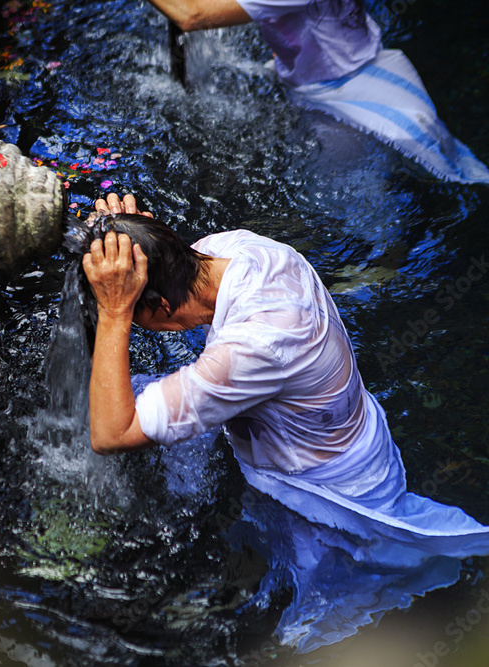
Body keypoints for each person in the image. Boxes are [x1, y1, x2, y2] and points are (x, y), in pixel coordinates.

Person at [81, 192, 489, 650]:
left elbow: (110, 433)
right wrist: (137, 240)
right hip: (341, 438)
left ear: (158, 310)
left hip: (333, 502)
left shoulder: (254, 349)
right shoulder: (234, 249)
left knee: (310, 636)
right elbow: (171, 263)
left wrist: (113, 310)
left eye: (138, 317)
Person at [143, 0, 489, 183]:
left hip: (345, 91)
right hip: (341, 63)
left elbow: (191, 15)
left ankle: (387, 263)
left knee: (352, 189)